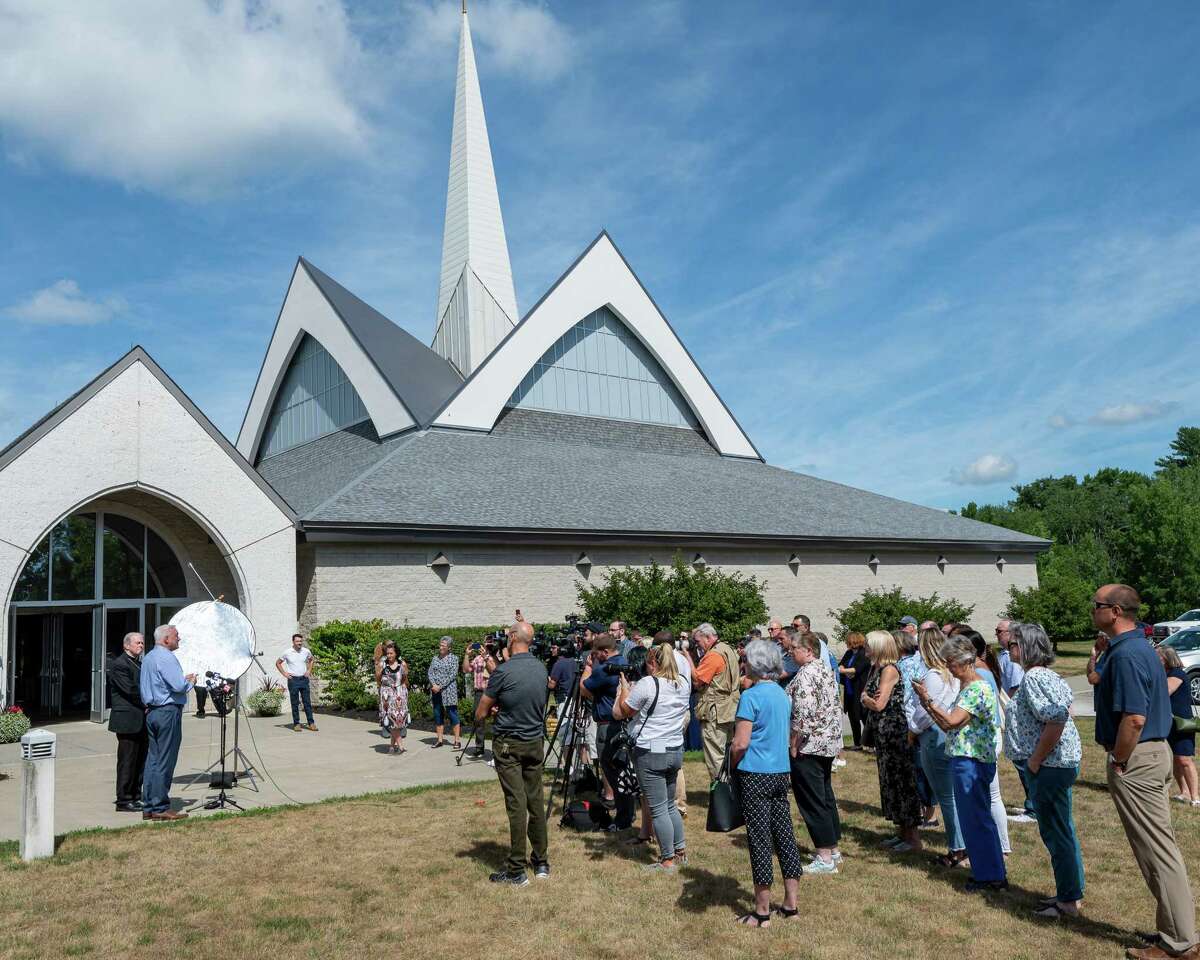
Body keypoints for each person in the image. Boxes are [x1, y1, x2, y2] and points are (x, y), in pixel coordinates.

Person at [1092, 584, 1198, 960]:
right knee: (1159, 849)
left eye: (1097, 605)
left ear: (1116, 611)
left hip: (1137, 758)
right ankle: (1177, 931)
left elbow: (1134, 718)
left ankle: (1179, 945)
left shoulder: (1128, 654)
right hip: (1150, 755)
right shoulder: (1137, 647)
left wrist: (1120, 760)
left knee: (1157, 852)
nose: (1093, 609)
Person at [1003, 622, 1084, 918]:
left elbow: (1057, 719)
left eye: (1012, 644)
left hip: (1050, 764)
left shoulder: (1035, 676)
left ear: (1026, 647)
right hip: (1058, 763)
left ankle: (1068, 900)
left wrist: (1035, 760)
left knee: (1057, 833)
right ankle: (1070, 893)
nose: (1008, 648)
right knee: (1062, 830)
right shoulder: (1047, 675)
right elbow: (1066, 711)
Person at [914, 635, 1007, 892]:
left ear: (963, 661)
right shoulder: (970, 687)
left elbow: (952, 721)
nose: (948, 668)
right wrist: (927, 703)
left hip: (972, 762)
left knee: (976, 820)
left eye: (950, 663)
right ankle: (988, 872)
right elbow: (947, 723)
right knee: (974, 819)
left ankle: (990, 876)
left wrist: (928, 701)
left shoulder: (976, 688)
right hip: (968, 759)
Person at [730, 640, 803, 927]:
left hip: (755, 773)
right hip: (780, 772)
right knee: (784, 835)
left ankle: (762, 910)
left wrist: (732, 765)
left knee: (760, 839)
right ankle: (790, 904)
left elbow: (741, 742)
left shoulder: (751, 696)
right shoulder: (781, 694)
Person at [475, 622, 550, 886]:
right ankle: (541, 861)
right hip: (534, 741)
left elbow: (481, 712)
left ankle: (516, 868)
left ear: (515, 638)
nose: (505, 639)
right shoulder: (541, 669)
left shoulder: (503, 672)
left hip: (509, 744)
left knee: (516, 805)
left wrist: (496, 710)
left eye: (508, 635)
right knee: (535, 800)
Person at [613, 642, 690, 870]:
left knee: (658, 808)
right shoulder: (683, 683)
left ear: (652, 663)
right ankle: (680, 851)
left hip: (650, 750)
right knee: (668, 805)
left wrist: (624, 686)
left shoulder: (648, 684)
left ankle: (667, 859)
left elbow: (623, 711)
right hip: (675, 748)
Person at [786, 630, 844, 873]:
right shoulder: (825, 670)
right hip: (828, 743)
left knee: (812, 800)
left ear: (808, 651)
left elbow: (803, 712)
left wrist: (794, 743)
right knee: (825, 795)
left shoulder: (808, 674)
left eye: (794, 649)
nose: (790, 653)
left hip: (810, 746)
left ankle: (825, 857)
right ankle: (832, 848)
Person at [906, 627, 965, 867]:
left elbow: (923, 714)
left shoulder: (933, 675)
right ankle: (960, 844)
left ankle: (958, 847)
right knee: (951, 795)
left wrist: (911, 729)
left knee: (946, 796)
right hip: (946, 732)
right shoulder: (951, 674)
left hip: (933, 735)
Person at [860, 630, 923, 851]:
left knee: (902, 783)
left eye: (868, 645)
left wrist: (866, 699)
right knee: (891, 783)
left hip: (894, 733)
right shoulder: (875, 668)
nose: (865, 649)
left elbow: (879, 703)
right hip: (883, 733)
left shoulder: (889, 669)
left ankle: (913, 838)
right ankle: (902, 832)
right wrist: (868, 698)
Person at [139, 624, 196, 821]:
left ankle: (149, 805)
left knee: (153, 760)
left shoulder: (148, 657)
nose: (179, 638)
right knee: (165, 760)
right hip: (167, 712)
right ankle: (160, 807)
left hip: (153, 712)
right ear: (166, 640)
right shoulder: (166, 657)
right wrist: (191, 681)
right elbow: (179, 686)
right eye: (176, 635)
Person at [581, 633, 630, 824]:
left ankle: (623, 816)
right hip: (622, 722)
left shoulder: (604, 670)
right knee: (622, 769)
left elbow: (585, 687)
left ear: (605, 652)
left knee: (612, 771)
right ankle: (626, 813)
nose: (595, 657)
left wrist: (587, 667)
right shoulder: (624, 662)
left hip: (607, 724)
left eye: (597, 654)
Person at [896, 627, 936, 826]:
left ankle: (930, 813)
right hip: (912, 721)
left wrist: (912, 727)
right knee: (917, 770)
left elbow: (909, 697)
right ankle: (924, 810)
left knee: (920, 770)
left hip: (914, 722)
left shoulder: (908, 665)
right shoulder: (906, 663)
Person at [692, 622, 741, 781]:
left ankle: (721, 795)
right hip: (730, 708)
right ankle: (731, 793)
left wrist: (687, 659)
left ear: (708, 638)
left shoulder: (713, 655)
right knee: (728, 753)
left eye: (697, 641)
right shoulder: (729, 649)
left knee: (715, 756)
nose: (697, 645)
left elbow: (698, 681)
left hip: (715, 710)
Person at [107, 631, 147, 812]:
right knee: (127, 760)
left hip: (141, 720)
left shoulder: (139, 664)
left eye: (142, 643)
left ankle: (136, 795)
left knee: (140, 760)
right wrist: (150, 701)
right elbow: (130, 690)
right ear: (126, 645)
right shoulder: (119, 665)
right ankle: (123, 800)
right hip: (127, 720)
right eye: (137, 643)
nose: (141, 645)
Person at [1158, 644, 1199, 806]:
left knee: (1184, 760)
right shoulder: (1165, 673)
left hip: (1182, 724)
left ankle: (1195, 797)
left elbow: (1165, 691)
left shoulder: (1178, 674)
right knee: (1174, 758)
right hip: (1169, 722)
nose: (1155, 659)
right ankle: (1184, 792)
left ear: (1166, 658)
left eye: (1158, 656)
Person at [276, 633, 317, 732]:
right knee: (294, 702)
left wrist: (309, 671)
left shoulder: (306, 651)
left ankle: (311, 723)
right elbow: (278, 663)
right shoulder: (287, 652)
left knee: (307, 702)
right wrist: (285, 674)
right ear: (293, 642)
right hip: (293, 680)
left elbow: (311, 660)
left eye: (300, 641)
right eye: (297, 641)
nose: (299, 643)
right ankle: (296, 724)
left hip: (303, 679)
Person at [428, 636, 461, 749]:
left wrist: (440, 686)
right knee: (438, 714)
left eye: (443, 645)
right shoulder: (435, 658)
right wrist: (434, 685)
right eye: (440, 645)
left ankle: (457, 741)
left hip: (448, 691)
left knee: (452, 714)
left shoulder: (454, 658)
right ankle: (440, 740)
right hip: (435, 691)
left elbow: (452, 675)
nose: (440, 647)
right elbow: (430, 672)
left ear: (449, 648)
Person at [376, 642, 409, 755]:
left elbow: (405, 679)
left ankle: (391, 746)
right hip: (387, 696)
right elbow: (378, 679)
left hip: (399, 695)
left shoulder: (402, 664)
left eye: (391, 653)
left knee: (397, 723)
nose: (389, 655)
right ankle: (400, 746)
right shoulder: (382, 664)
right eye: (387, 653)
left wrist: (403, 692)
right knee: (391, 722)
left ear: (396, 653)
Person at [838, 632, 870, 749]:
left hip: (860, 689)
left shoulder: (864, 653)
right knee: (853, 717)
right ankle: (857, 743)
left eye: (850, 641)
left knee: (863, 716)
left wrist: (844, 671)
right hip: (849, 691)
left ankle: (870, 743)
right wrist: (845, 670)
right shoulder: (848, 653)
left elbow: (856, 669)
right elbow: (841, 665)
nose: (849, 644)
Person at [463, 641, 491, 758]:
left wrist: (486, 658)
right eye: (484, 642)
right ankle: (479, 748)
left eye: (488, 642)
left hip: (492, 692)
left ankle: (499, 750)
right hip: (479, 692)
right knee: (478, 719)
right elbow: (466, 669)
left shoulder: (495, 657)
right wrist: (467, 655)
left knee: (497, 719)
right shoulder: (477, 658)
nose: (486, 644)